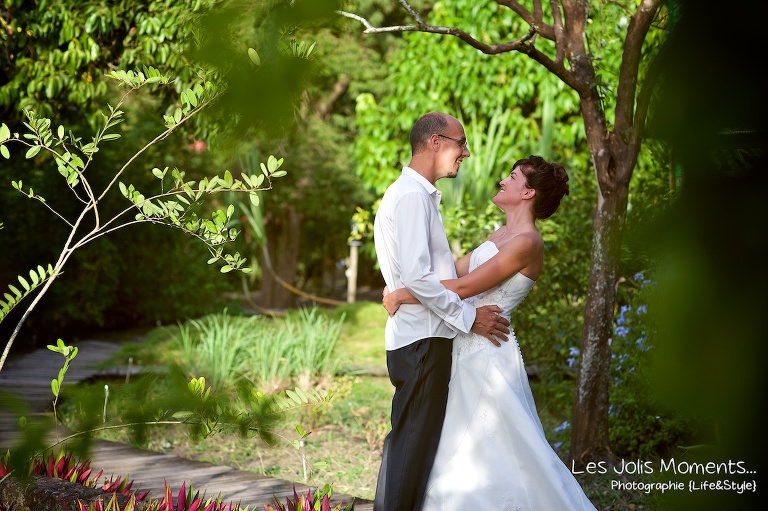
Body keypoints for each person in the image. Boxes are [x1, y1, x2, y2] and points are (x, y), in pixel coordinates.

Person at [384, 155, 597, 510]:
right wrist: (401, 283)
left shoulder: (528, 242)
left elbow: (465, 287)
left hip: (488, 354)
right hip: (464, 344)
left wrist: (404, 294)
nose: (503, 180)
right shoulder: (500, 234)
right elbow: (450, 271)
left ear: (528, 192)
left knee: (492, 448)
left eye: (512, 177)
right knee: (454, 446)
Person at [372, 111, 511, 511]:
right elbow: (417, 278)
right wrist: (470, 319)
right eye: (460, 143)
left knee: (410, 447)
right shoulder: (413, 196)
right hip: (422, 341)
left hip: (417, 338)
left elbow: (416, 278)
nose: (465, 152)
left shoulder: (411, 194)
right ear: (435, 142)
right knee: (410, 451)